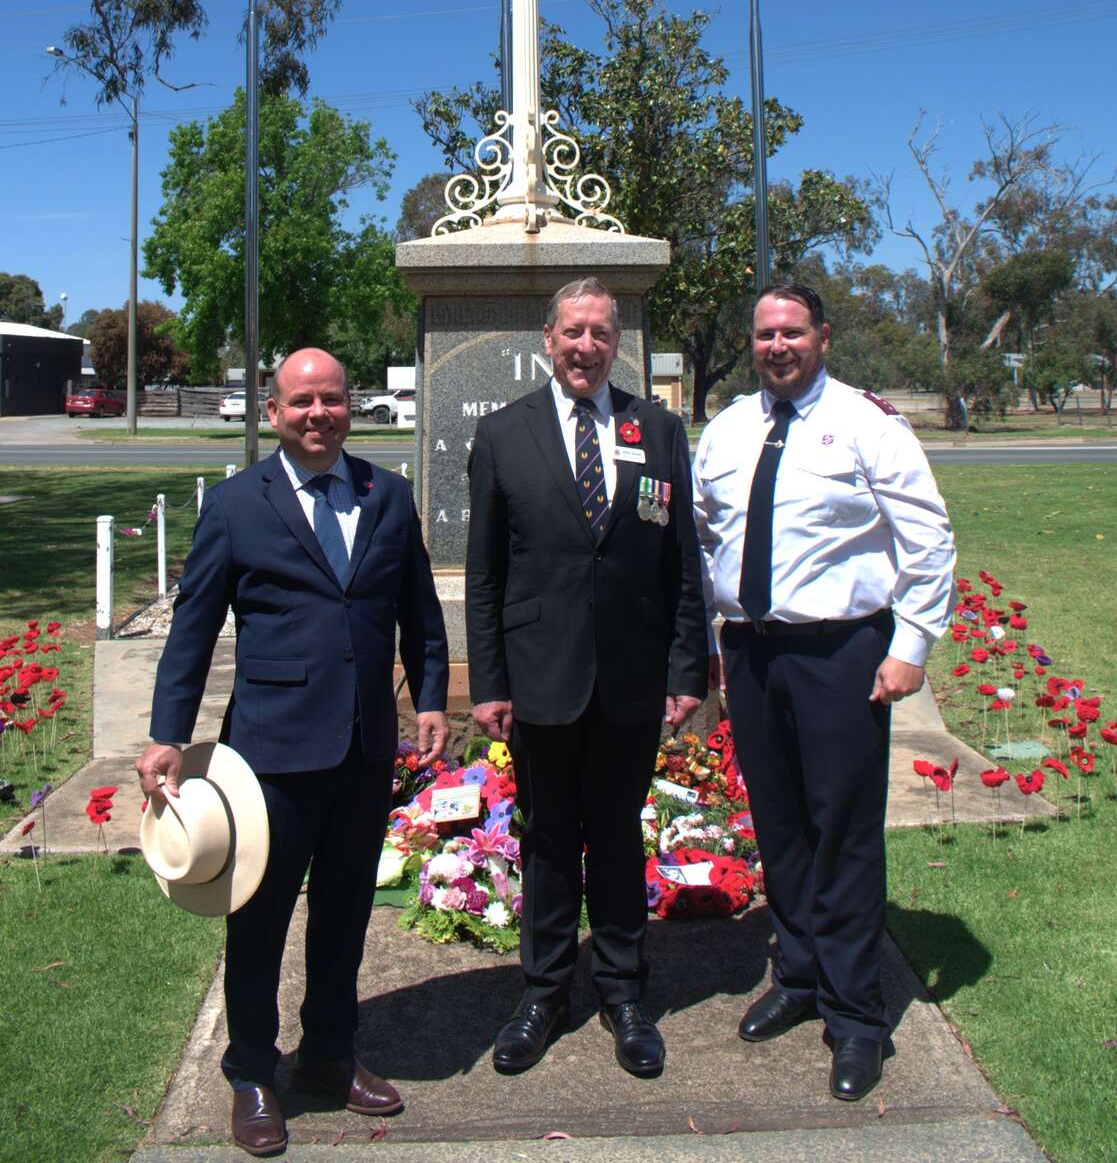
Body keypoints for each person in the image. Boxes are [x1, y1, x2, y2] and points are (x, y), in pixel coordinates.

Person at [135, 348, 448, 1158]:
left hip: (362, 745)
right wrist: (167, 734)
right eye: (302, 401)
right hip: (269, 754)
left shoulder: (389, 494)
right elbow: (194, 628)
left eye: (333, 400)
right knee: (260, 918)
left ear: (351, 408)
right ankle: (249, 1070)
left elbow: (419, 612)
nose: (319, 414)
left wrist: (432, 698)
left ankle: (327, 1055)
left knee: (344, 911)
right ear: (274, 413)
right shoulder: (239, 504)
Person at [692, 284, 955, 1103]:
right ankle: (799, 975)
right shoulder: (730, 428)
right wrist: (709, 643)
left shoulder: (868, 423)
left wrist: (909, 646)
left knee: (840, 833)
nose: (778, 346)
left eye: (792, 332)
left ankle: (855, 1016)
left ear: (822, 337)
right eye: (766, 333)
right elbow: (705, 536)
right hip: (754, 653)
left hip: (840, 652)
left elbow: (927, 535)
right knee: (780, 828)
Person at [466, 277, 709, 1079]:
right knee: (545, 841)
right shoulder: (504, 434)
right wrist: (489, 683)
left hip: (632, 679)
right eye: (573, 332)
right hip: (542, 678)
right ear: (547, 339)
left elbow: (679, 563)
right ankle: (541, 994)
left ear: (616, 344)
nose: (586, 347)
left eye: (600, 334)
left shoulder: (658, 429)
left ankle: (623, 993)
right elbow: (487, 574)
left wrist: (684, 667)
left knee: (614, 837)